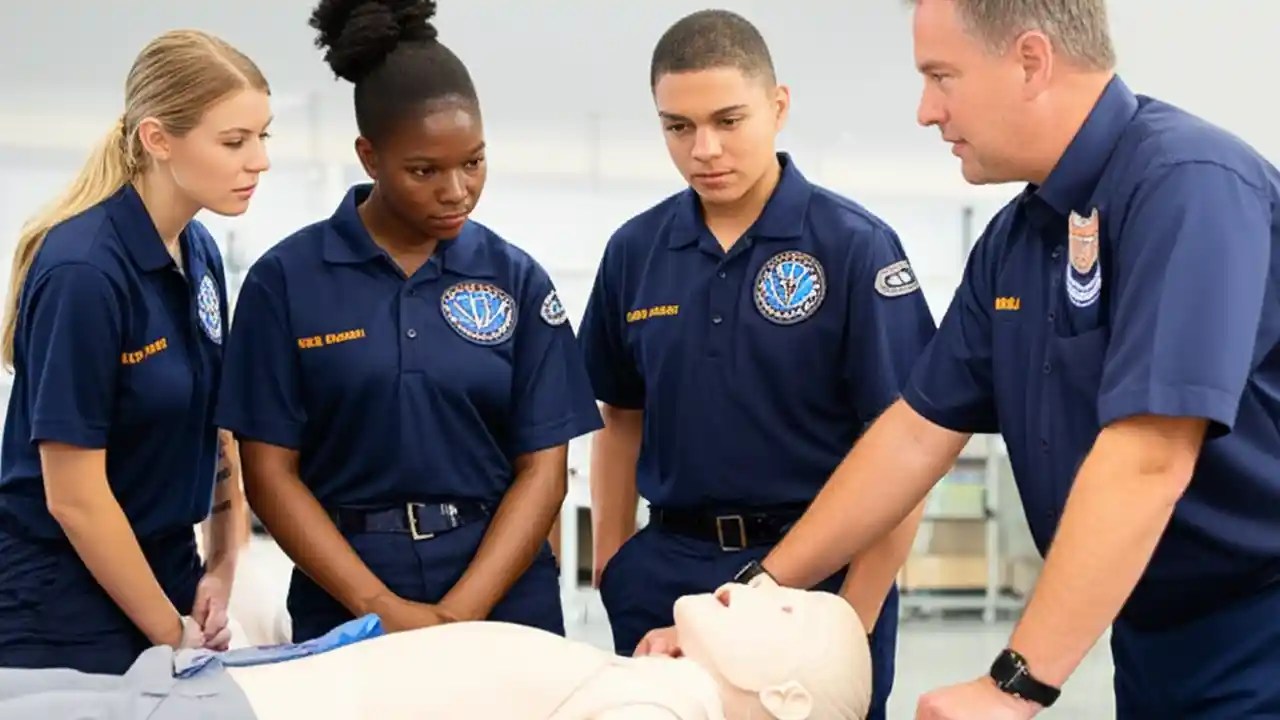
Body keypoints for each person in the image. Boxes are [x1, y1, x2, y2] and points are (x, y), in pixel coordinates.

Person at [646, 0, 1280, 717]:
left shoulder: (1189, 184)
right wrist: (751, 599)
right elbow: (914, 435)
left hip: (1261, 623)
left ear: (1031, 62)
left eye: (941, 77)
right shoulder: (1015, 242)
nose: (926, 111)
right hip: (1153, 632)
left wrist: (1014, 684)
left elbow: (1150, 455)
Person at [578, 9, 936, 719]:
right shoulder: (636, 252)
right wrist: (613, 565)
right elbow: (620, 417)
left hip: (815, 585)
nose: (703, 148)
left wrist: (853, 617)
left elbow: (910, 448)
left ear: (778, 107)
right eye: (678, 127)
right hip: (669, 570)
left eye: (728, 120)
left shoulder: (854, 247)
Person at [214, 0, 604, 644]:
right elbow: (270, 473)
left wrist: (459, 615)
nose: (456, 189)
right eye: (424, 170)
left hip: (501, 584)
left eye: (473, 162)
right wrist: (377, 606)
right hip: (348, 584)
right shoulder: (286, 281)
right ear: (369, 157)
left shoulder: (517, 279)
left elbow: (543, 469)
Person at [0, 29, 271, 674]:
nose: (258, 161)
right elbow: (74, 498)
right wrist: (168, 631)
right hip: (59, 601)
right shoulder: (84, 272)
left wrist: (223, 565)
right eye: (234, 142)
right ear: (157, 139)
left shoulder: (201, 253)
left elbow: (216, 423)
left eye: (264, 136)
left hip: (168, 572)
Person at [0, 579, 872, 720]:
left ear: (787, 698)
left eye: (786, 612)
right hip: (236, 691)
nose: (756, 585)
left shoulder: (661, 707)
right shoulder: (655, 686)